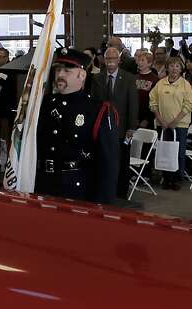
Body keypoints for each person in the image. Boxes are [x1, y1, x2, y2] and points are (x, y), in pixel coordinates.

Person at [34, 48, 119, 204]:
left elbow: (109, 164)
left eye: (67, 71)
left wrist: (103, 204)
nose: (60, 75)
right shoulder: (43, 104)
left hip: (77, 189)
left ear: (82, 75)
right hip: (43, 184)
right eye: (58, 69)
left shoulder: (97, 110)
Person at [90, 46, 138, 198]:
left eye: (113, 59)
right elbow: (93, 104)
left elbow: (133, 104)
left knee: (122, 163)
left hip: (122, 128)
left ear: (119, 60)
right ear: (104, 60)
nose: (110, 62)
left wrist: (131, 127)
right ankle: (104, 190)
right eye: (108, 59)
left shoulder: (129, 78)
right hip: (102, 128)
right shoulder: (97, 78)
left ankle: (121, 194)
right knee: (103, 161)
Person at [149, 56, 192, 190]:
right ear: (167, 68)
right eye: (171, 66)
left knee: (178, 153)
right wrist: (160, 119)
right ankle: (166, 178)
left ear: (181, 68)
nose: (174, 68)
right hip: (162, 124)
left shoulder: (185, 84)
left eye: (177, 66)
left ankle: (177, 179)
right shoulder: (160, 83)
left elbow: (190, 104)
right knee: (165, 152)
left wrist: (175, 121)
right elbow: (153, 101)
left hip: (179, 125)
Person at [133, 50, 159, 129]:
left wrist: (147, 119)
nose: (139, 62)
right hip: (135, 115)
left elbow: (155, 101)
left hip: (148, 117)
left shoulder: (155, 79)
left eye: (142, 60)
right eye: (139, 60)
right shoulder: (134, 78)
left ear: (149, 63)